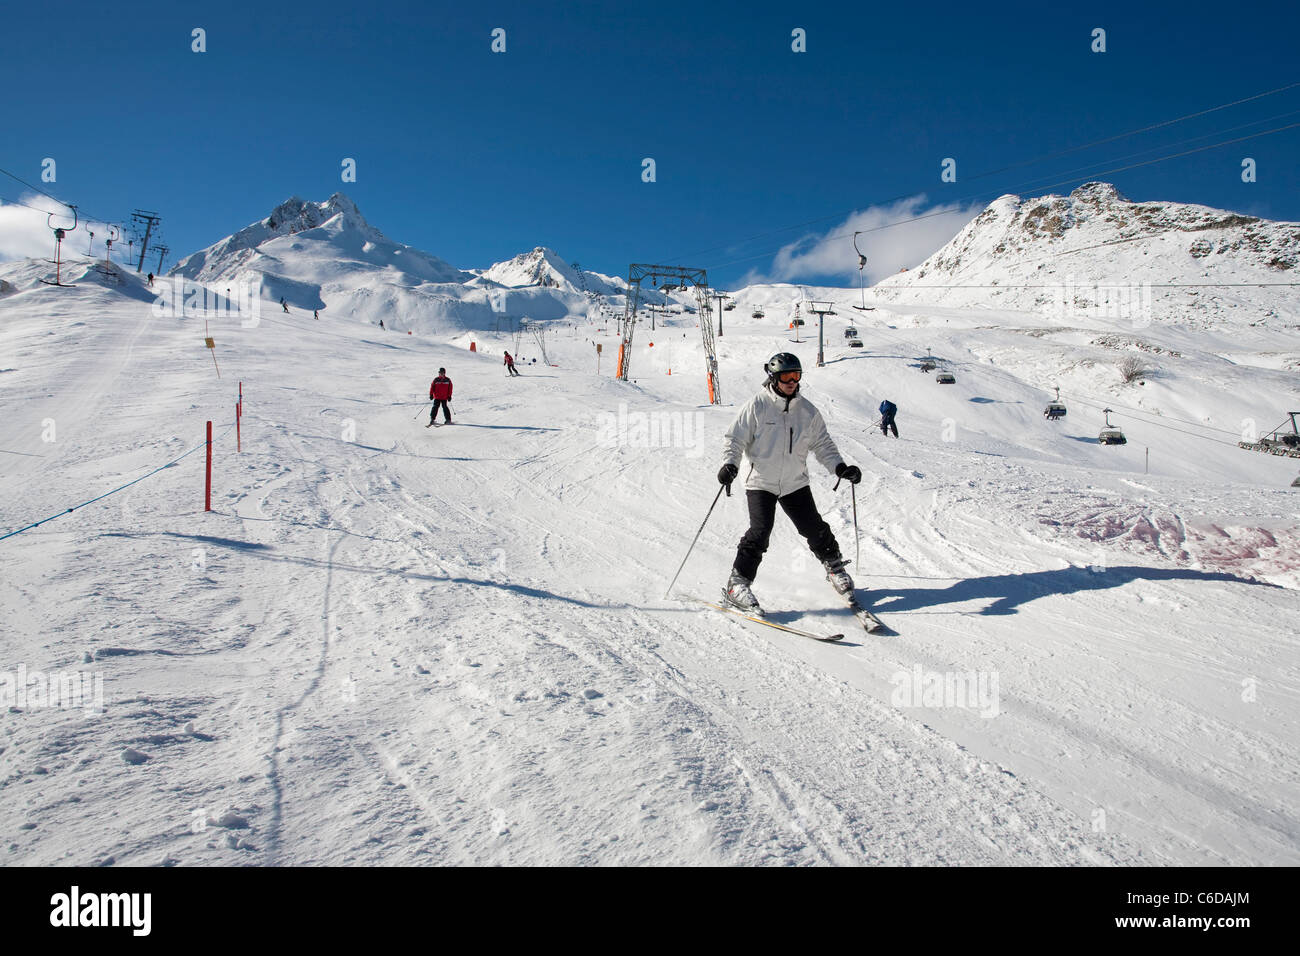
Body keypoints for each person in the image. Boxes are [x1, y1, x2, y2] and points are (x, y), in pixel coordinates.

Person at [717, 353, 862, 613]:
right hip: (761, 482)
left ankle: (835, 568)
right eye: (786, 376)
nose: (792, 382)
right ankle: (736, 584)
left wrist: (840, 468)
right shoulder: (757, 405)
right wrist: (731, 464)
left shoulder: (807, 411)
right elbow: (735, 438)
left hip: (795, 482)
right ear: (773, 377)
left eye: (796, 376)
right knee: (760, 532)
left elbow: (823, 444)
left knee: (814, 527)